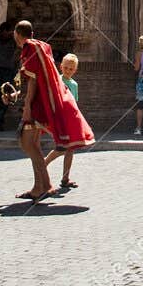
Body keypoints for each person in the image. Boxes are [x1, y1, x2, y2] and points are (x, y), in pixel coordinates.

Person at [12, 21, 94, 201]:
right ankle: (39, 186)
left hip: (39, 104)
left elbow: (33, 80)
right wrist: (18, 94)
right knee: (31, 143)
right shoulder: (41, 46)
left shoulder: (29, 47)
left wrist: (27, 105)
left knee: (28, 143)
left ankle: (45, 185)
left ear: (16, 34)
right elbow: (36, 78)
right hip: (42, 100)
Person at [43, 53, 84, 189]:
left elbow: (75, 104)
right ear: (60, 66)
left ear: (75, 70)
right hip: (59, 119)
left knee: (70, 150)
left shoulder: (74, 85)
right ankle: (43, 164)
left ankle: (65, 178)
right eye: (66, 68)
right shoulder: (56, 81)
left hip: (70, 120)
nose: (68, 71)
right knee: (62, 148)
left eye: (71, 69)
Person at [0, 20, 20, 131]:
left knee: (5, 91)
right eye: (8, 32)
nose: (10, 34)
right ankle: (3, 98)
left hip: (8, 69)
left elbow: (19, 51)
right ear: (2, 31)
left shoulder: (14, 40)